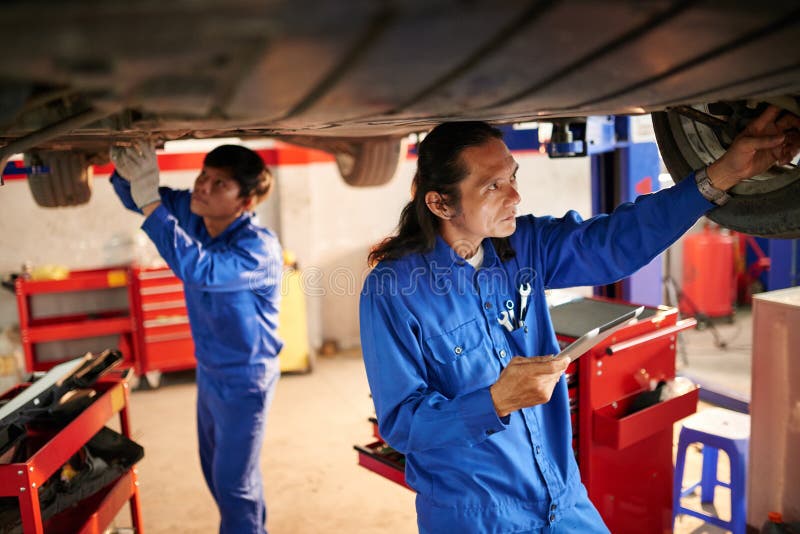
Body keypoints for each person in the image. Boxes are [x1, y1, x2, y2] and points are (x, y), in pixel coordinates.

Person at [359, 106, 799, 533]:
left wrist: (725, 172)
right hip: (476, 516)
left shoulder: (524, 244)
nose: (515, 196)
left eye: (513, 177)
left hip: (562, 499)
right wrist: (494, 401)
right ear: (439, 203)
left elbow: (613, 243)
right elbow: (402, 424)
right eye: (493, 186)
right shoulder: (393, 290)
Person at [109, 140, 283, 534]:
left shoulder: (258, 249)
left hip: (245, 379)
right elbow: (138, 197)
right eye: (204, 175)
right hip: (210, 372)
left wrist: (153, 203)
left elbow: (199, 269)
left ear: (245, 201)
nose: (203, 187)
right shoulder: (193, 213)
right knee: (217, 473)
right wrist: (126, 172)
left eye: (220, 184)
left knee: (233, 483)